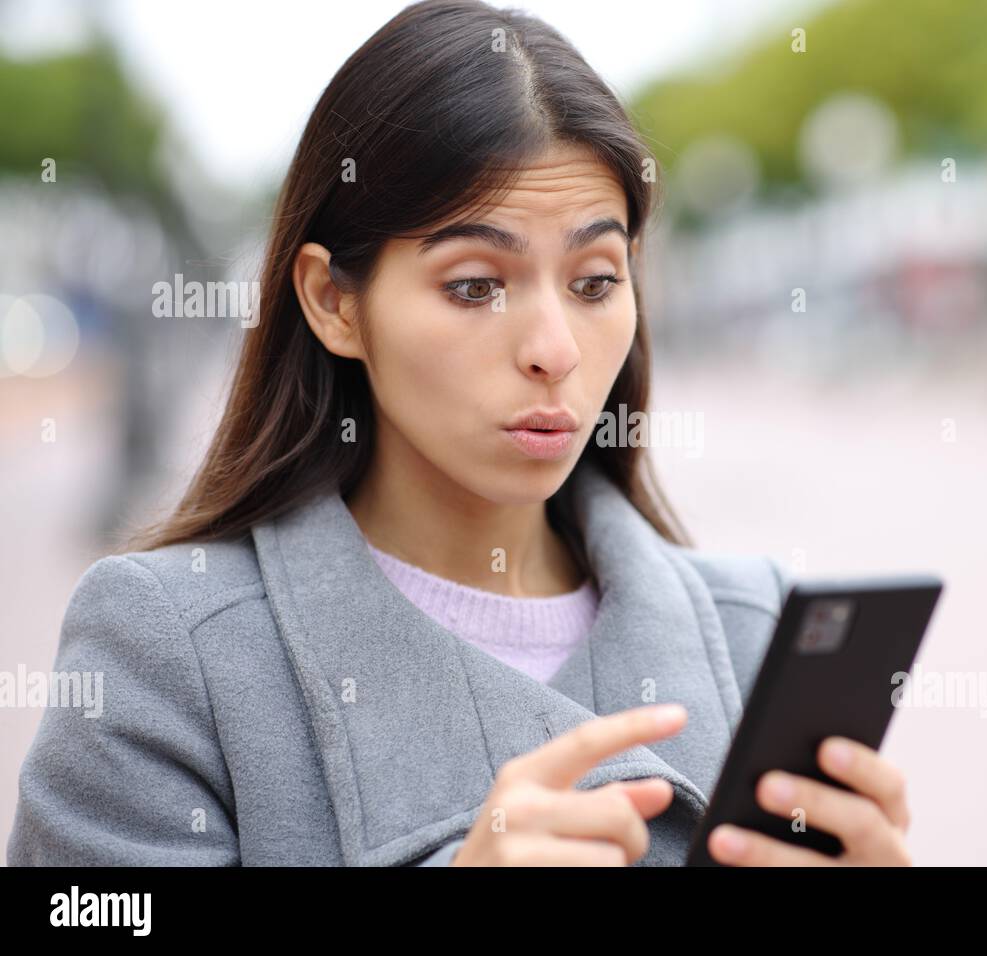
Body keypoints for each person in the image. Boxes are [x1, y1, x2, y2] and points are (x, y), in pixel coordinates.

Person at [7, 0, 911, 867]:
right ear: (333, 302)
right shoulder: (172, 653)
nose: (554, 350)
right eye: (476, 284)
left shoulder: (752, 631)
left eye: (596, 281)